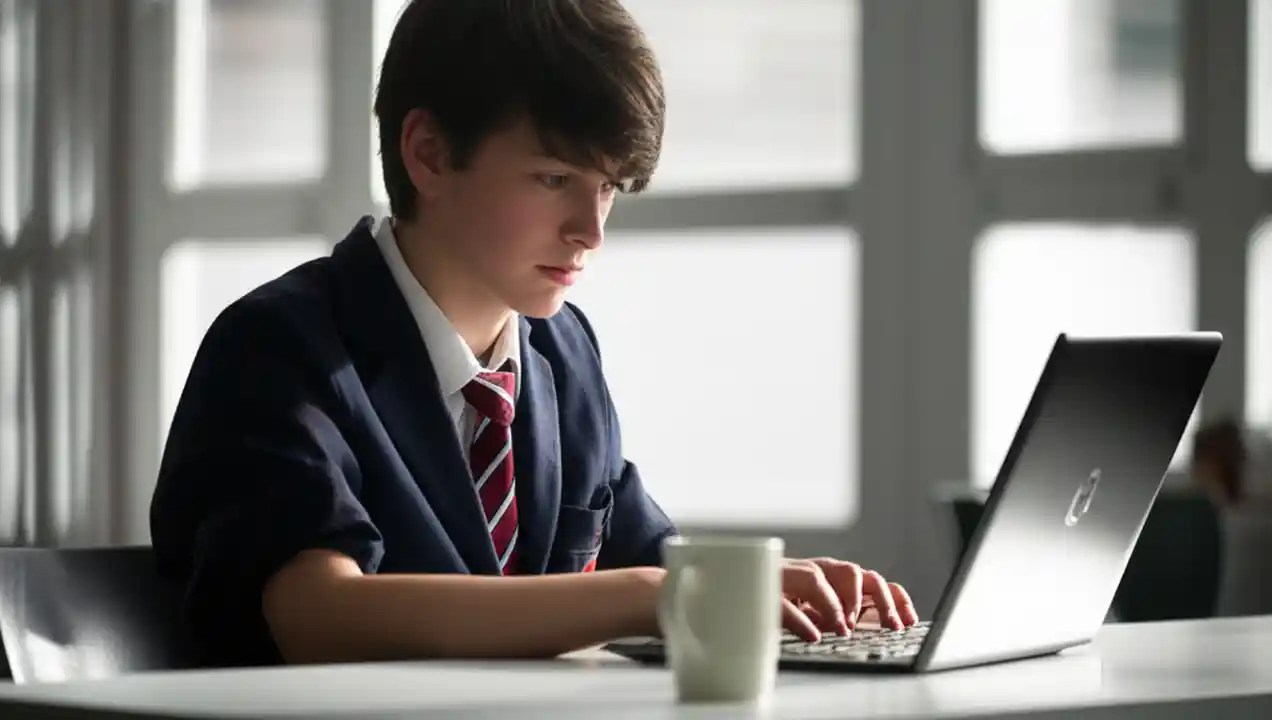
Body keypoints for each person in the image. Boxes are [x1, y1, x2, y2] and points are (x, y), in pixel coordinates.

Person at [150, 0, 918, 667]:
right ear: (428, 154)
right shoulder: (277, 346)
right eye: (554, 178)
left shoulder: (562, 353)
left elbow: (646, 563)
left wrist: (762, 589)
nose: (591, 231)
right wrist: (645, 593)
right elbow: (319, 615)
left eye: (608, 187)